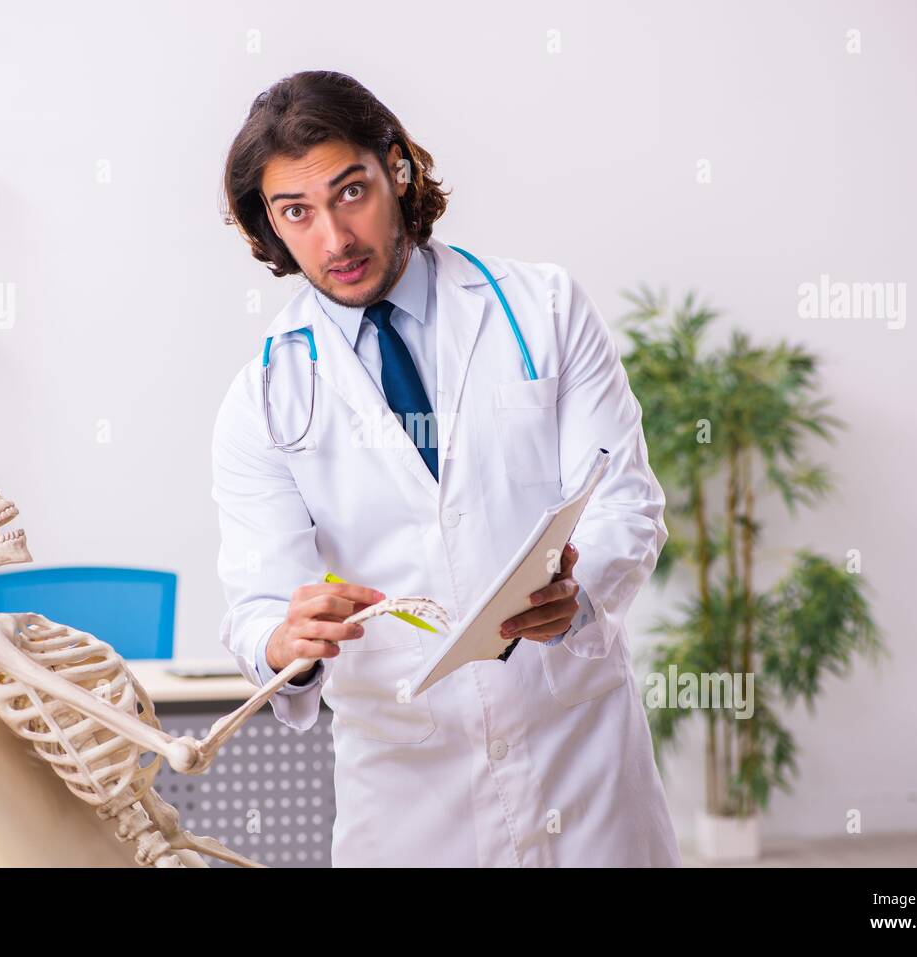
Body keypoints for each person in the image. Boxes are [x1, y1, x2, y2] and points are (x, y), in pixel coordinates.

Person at [212, 70, 680, 867]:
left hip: (580, 753)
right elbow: (258, 606)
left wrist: (577, 596)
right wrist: (284, 637)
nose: (335, 238)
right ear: (272, 229)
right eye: (297, 212)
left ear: (397, 169)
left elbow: (627, 503)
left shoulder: (544, 309)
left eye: (350, 191)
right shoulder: (260, 399)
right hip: (407, 789)